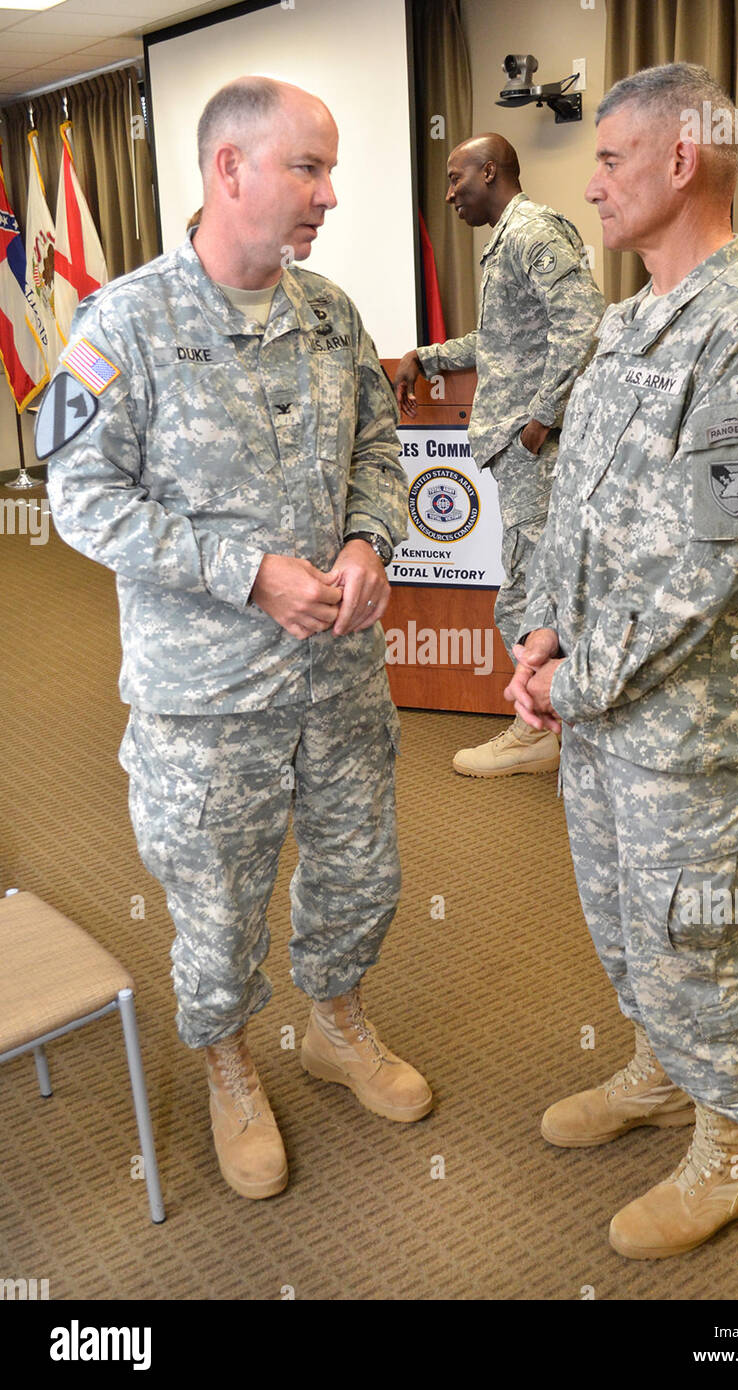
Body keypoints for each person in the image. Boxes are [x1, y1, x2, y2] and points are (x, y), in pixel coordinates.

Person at [39, 77, 433, 1202]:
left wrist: (368, 541)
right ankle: (227, 1065)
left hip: (341, 681)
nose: (328, 194)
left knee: (363, 877)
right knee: (216, 903)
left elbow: (381, 449)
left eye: (327, 169)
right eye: (307, 168)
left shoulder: (333, 313)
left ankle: (336, 1024)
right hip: (204, 701)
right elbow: (77, 497)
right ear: (229, 171)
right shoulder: (119, 323)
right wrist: (246, 572)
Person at [506, 63, 738, 1258]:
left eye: (606, 159)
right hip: (600, 713)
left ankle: (732, 1144)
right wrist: (539, 629)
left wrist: (563, 682)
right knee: (623, 918)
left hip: (689, 726)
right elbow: (577, 507)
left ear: (679, 162)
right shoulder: (627, 322)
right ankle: (656, 1069)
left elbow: (703, 576)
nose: (588, 185)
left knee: (692, 931)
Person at [394, 135, 604, 777]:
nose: (450, 192)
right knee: (532, 589)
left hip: (538, 453)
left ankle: (536, 728)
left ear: (491, 171)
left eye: (457, 177)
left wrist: (543, 416)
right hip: (520, 454)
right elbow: (505, 341)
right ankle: (555, 726)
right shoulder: (508, 238)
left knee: (528, 595)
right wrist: (429, 357)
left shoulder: (532, 231)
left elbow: (584, 321)